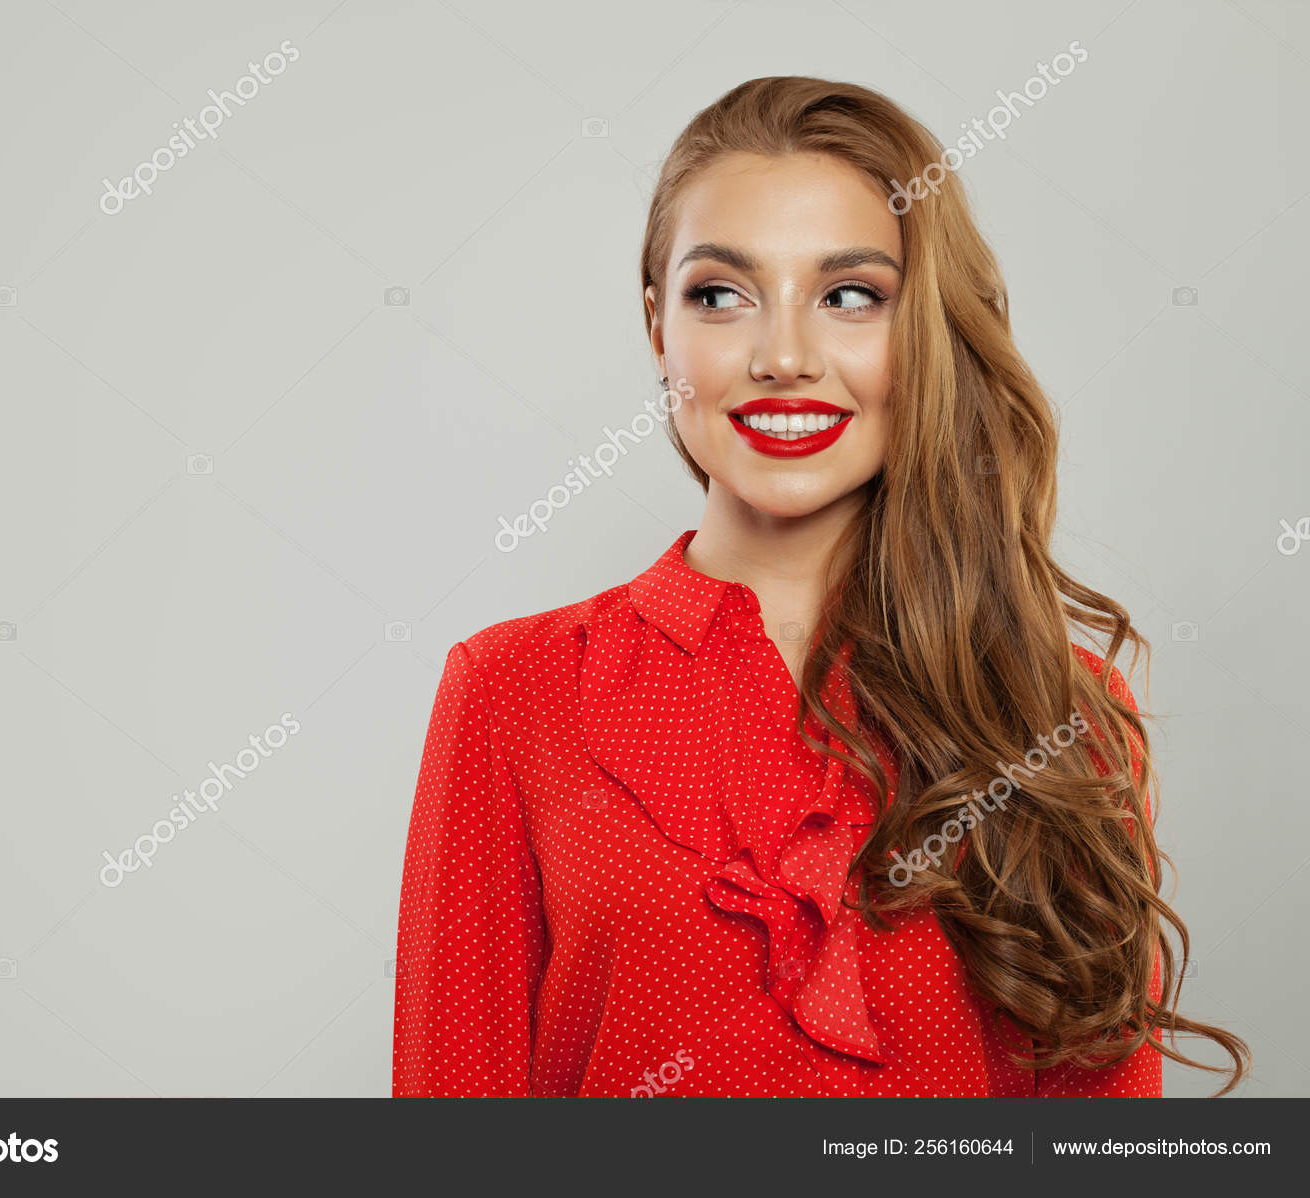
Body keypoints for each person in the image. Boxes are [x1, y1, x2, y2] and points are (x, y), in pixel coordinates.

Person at [392, 76, 1248, 1098]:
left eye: (850, 296)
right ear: (659, 326)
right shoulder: (511, 690)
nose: (783, 356)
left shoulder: (1058, 710)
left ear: (922, 330)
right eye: (721, 295)